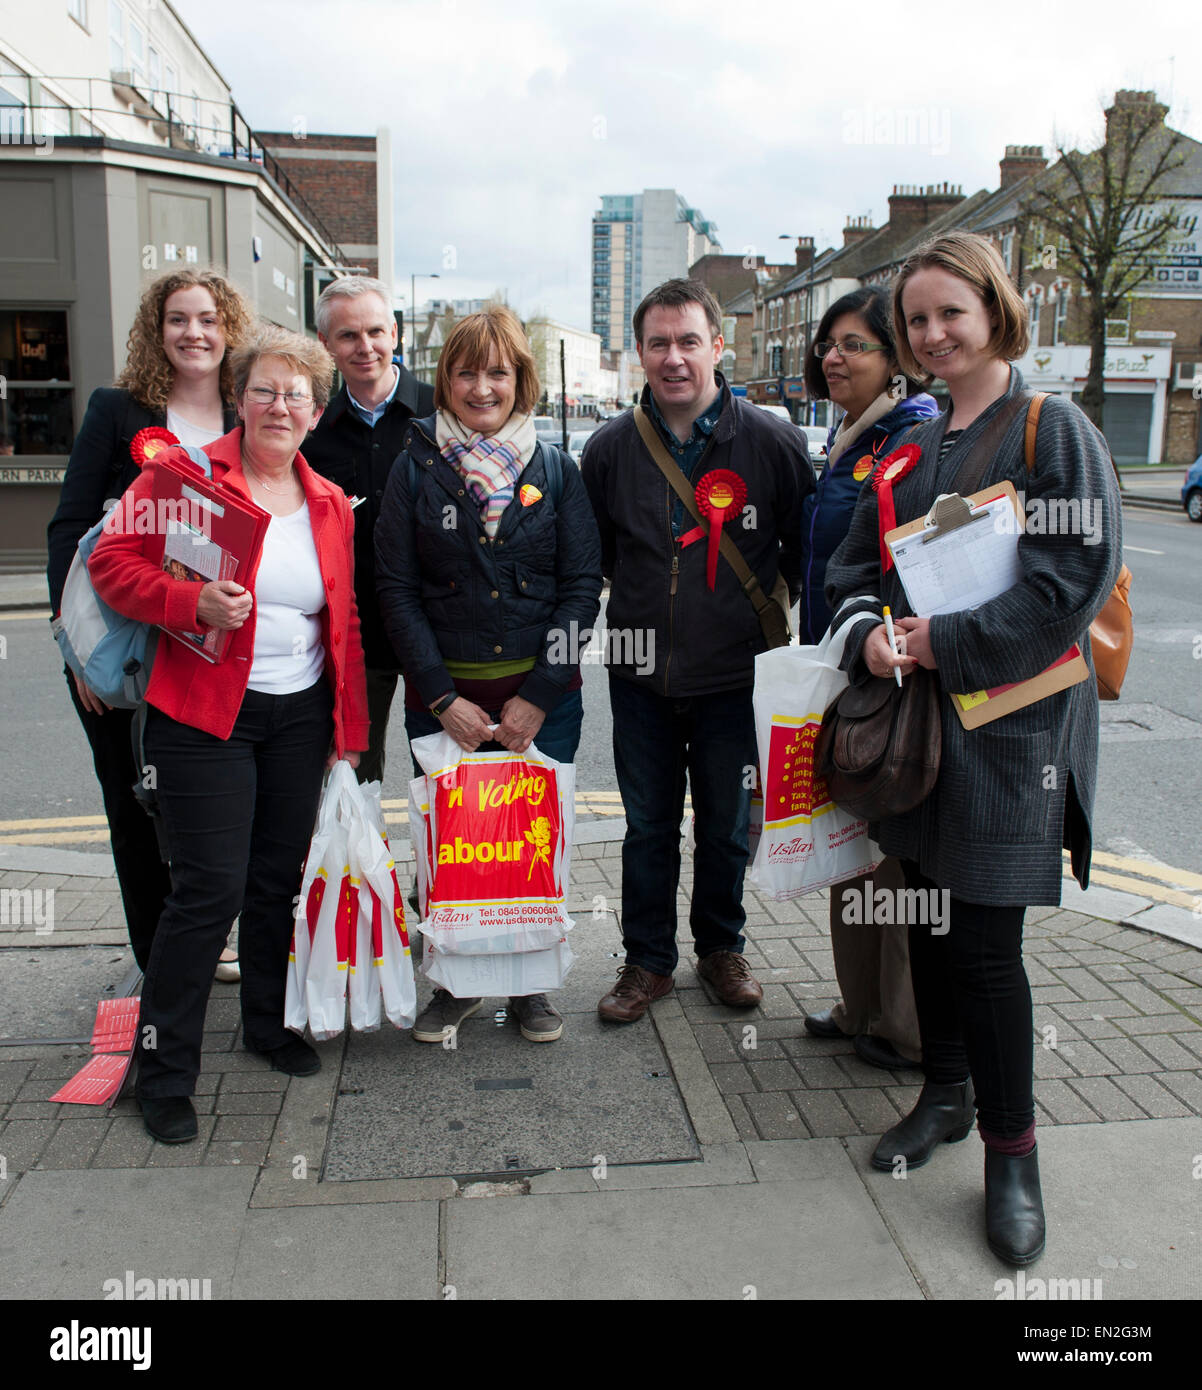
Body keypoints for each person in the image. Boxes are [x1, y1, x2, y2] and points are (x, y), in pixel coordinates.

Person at [825, 231, 1121, 1264]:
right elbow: (854, 562)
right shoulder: (909, 441)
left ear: (994, 309)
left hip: (1014, 732)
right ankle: (942, 1095)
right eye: (915, 319)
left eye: (949, 311)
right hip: (917, 729)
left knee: (987, 947)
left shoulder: (1051, 428)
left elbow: (1065, 582)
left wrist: (933, 642)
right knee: (929, 921)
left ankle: (1011, 1150)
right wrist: (867, 626)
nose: (930, 332)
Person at [88, 325, 369, 1145]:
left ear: (317, 412)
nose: (280, 406)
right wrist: (189, 604)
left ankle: (266, 1025)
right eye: (265, 390)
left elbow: (342, 620)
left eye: (297, 395)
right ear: (239, 397)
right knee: (207, 891)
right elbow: (113, 563)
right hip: (204, 715)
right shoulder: (184, 475)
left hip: (298, 714)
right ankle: (163, 1068)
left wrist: (345, 731)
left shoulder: (325, 499)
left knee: (275, 880)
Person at [581, 278, 812, 1022]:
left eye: (688, 341)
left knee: (722, 824)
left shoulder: (773, 442)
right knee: (648, 828)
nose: (674, 358)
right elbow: (597, 562)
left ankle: (721, 948)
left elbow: (807, 557)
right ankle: (647, 961)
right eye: (658, 343)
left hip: (735, 681)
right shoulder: (611, 449)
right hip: (640, 680)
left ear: (718, 345)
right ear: (639, 354)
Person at [375, 305, 601, 1046]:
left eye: (497, 371)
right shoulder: (412, 469)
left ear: (520, 379)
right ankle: (453, 984)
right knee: (452, 850)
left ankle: (531, 988)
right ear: (445, 379)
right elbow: (395, 591)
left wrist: (538, 697)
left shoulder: (558, 471)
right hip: (446, 701)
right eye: (466, 371)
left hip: (542, 702)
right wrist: (442, 699)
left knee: (531, 846)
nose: (481, 387)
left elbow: (580, 588)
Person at [46, 269, 250, 979]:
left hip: (207, 646)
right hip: (122, 649)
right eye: (177, 319)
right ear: (156, 330)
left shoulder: (246, 413)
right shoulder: (117, 409)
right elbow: (71, 528)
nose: (194, 333)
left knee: (204, 809)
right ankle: (159, 960)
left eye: (208, 319)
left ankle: (207, 941)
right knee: (133, 812)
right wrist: (76, 655)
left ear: (230, 332)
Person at [797, 286, 938, 1073]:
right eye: (830, 342)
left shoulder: (913, 435)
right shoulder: (853, 436)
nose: (834, 356)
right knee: (847, 845)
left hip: (894, 675)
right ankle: (860, 1005)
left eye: (856, 343)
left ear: (895, 359)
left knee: (891, 854)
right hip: (843, 661)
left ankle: (903, 1025)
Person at [305, 277, 435, 785]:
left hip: (435, 633)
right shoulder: (313, 433)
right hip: (353, 642)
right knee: (355, 787)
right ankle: (368, 870)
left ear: (396, 333)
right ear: (325, 345)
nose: (365, 347)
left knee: (448, 787)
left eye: (375, 331)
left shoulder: (443, 411)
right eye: (347, 336)